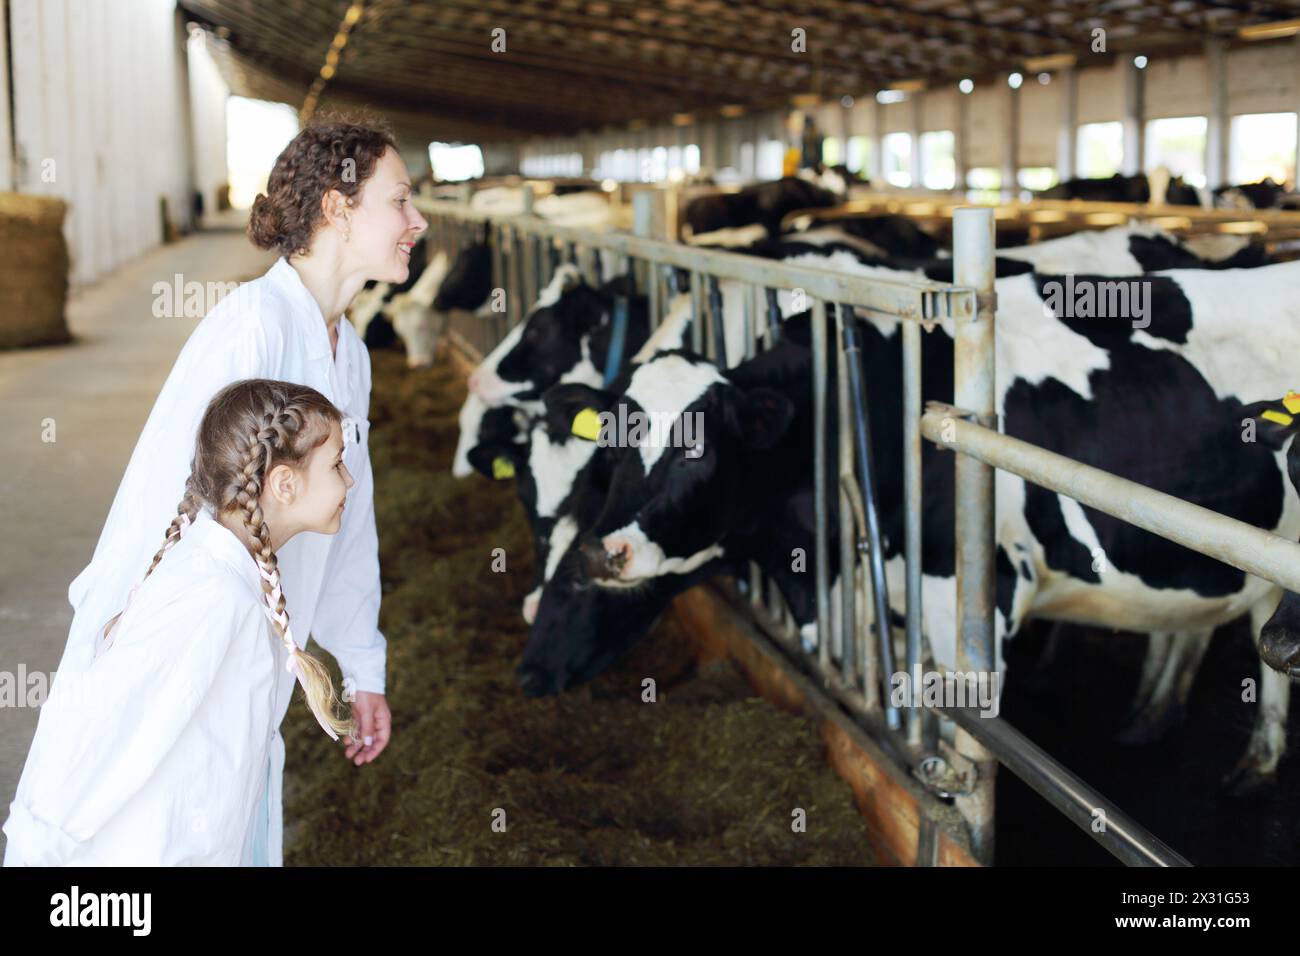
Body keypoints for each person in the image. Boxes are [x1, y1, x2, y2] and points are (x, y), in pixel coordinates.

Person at [35, 113, 426, 865]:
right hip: (189, 658)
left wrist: (362, 663)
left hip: (253, 662)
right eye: (400, 200)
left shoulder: (350, 349)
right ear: (338, 211)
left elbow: (355, 516)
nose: (418, 220)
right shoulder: (255, 329)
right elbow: (172, 500)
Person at [4, 381, 354, 865]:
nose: (349, 481)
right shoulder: (212, 595)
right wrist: (37, 849)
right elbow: (102, 723)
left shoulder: (228, 578)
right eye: (337, 463)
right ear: (284, 484)